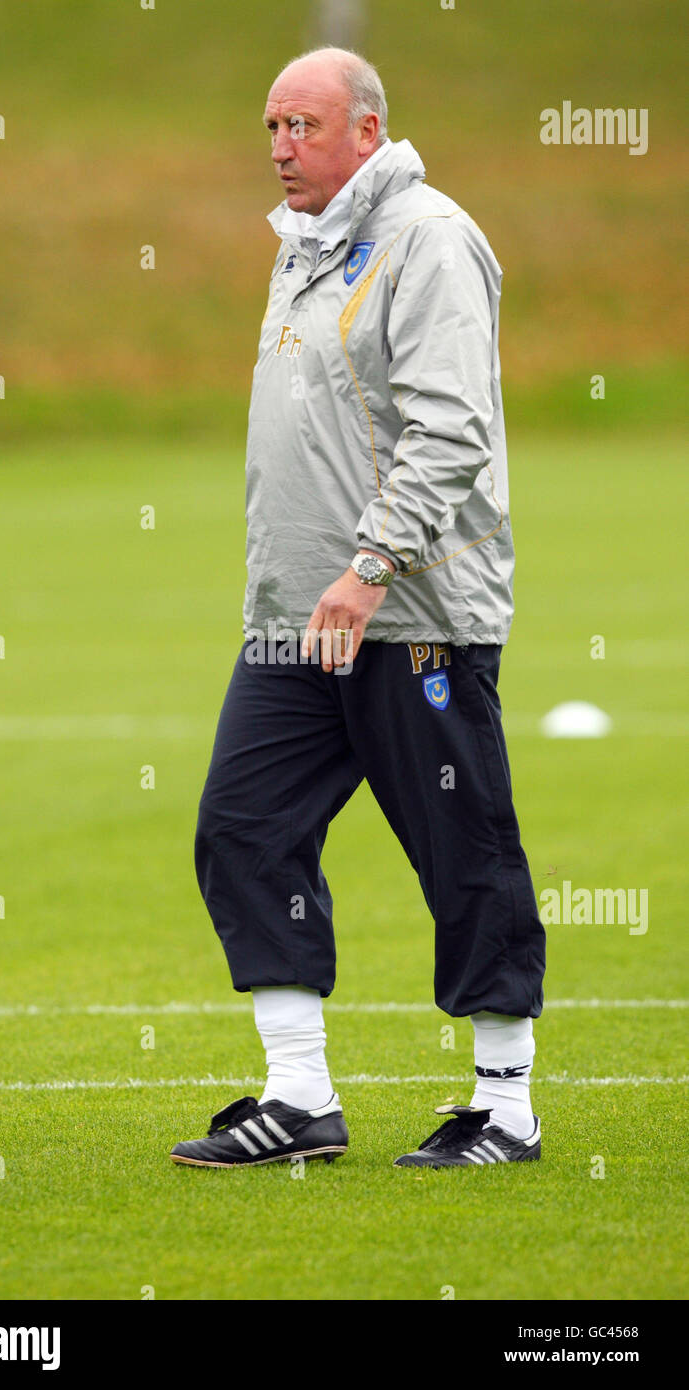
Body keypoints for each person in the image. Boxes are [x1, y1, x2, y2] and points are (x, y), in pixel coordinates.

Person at [171, 46, 546, 1170]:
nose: (282, 147)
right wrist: (289, 588)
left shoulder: (430, 239)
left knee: (459, 844)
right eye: (273, 126)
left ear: (368, 131)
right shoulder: (303, 249)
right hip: (297, 619)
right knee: (244, 827)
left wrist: (373, 560)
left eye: (305, 125)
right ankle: (300, 1100)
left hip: (412, 610)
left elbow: (452, 429)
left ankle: (506, 1106)